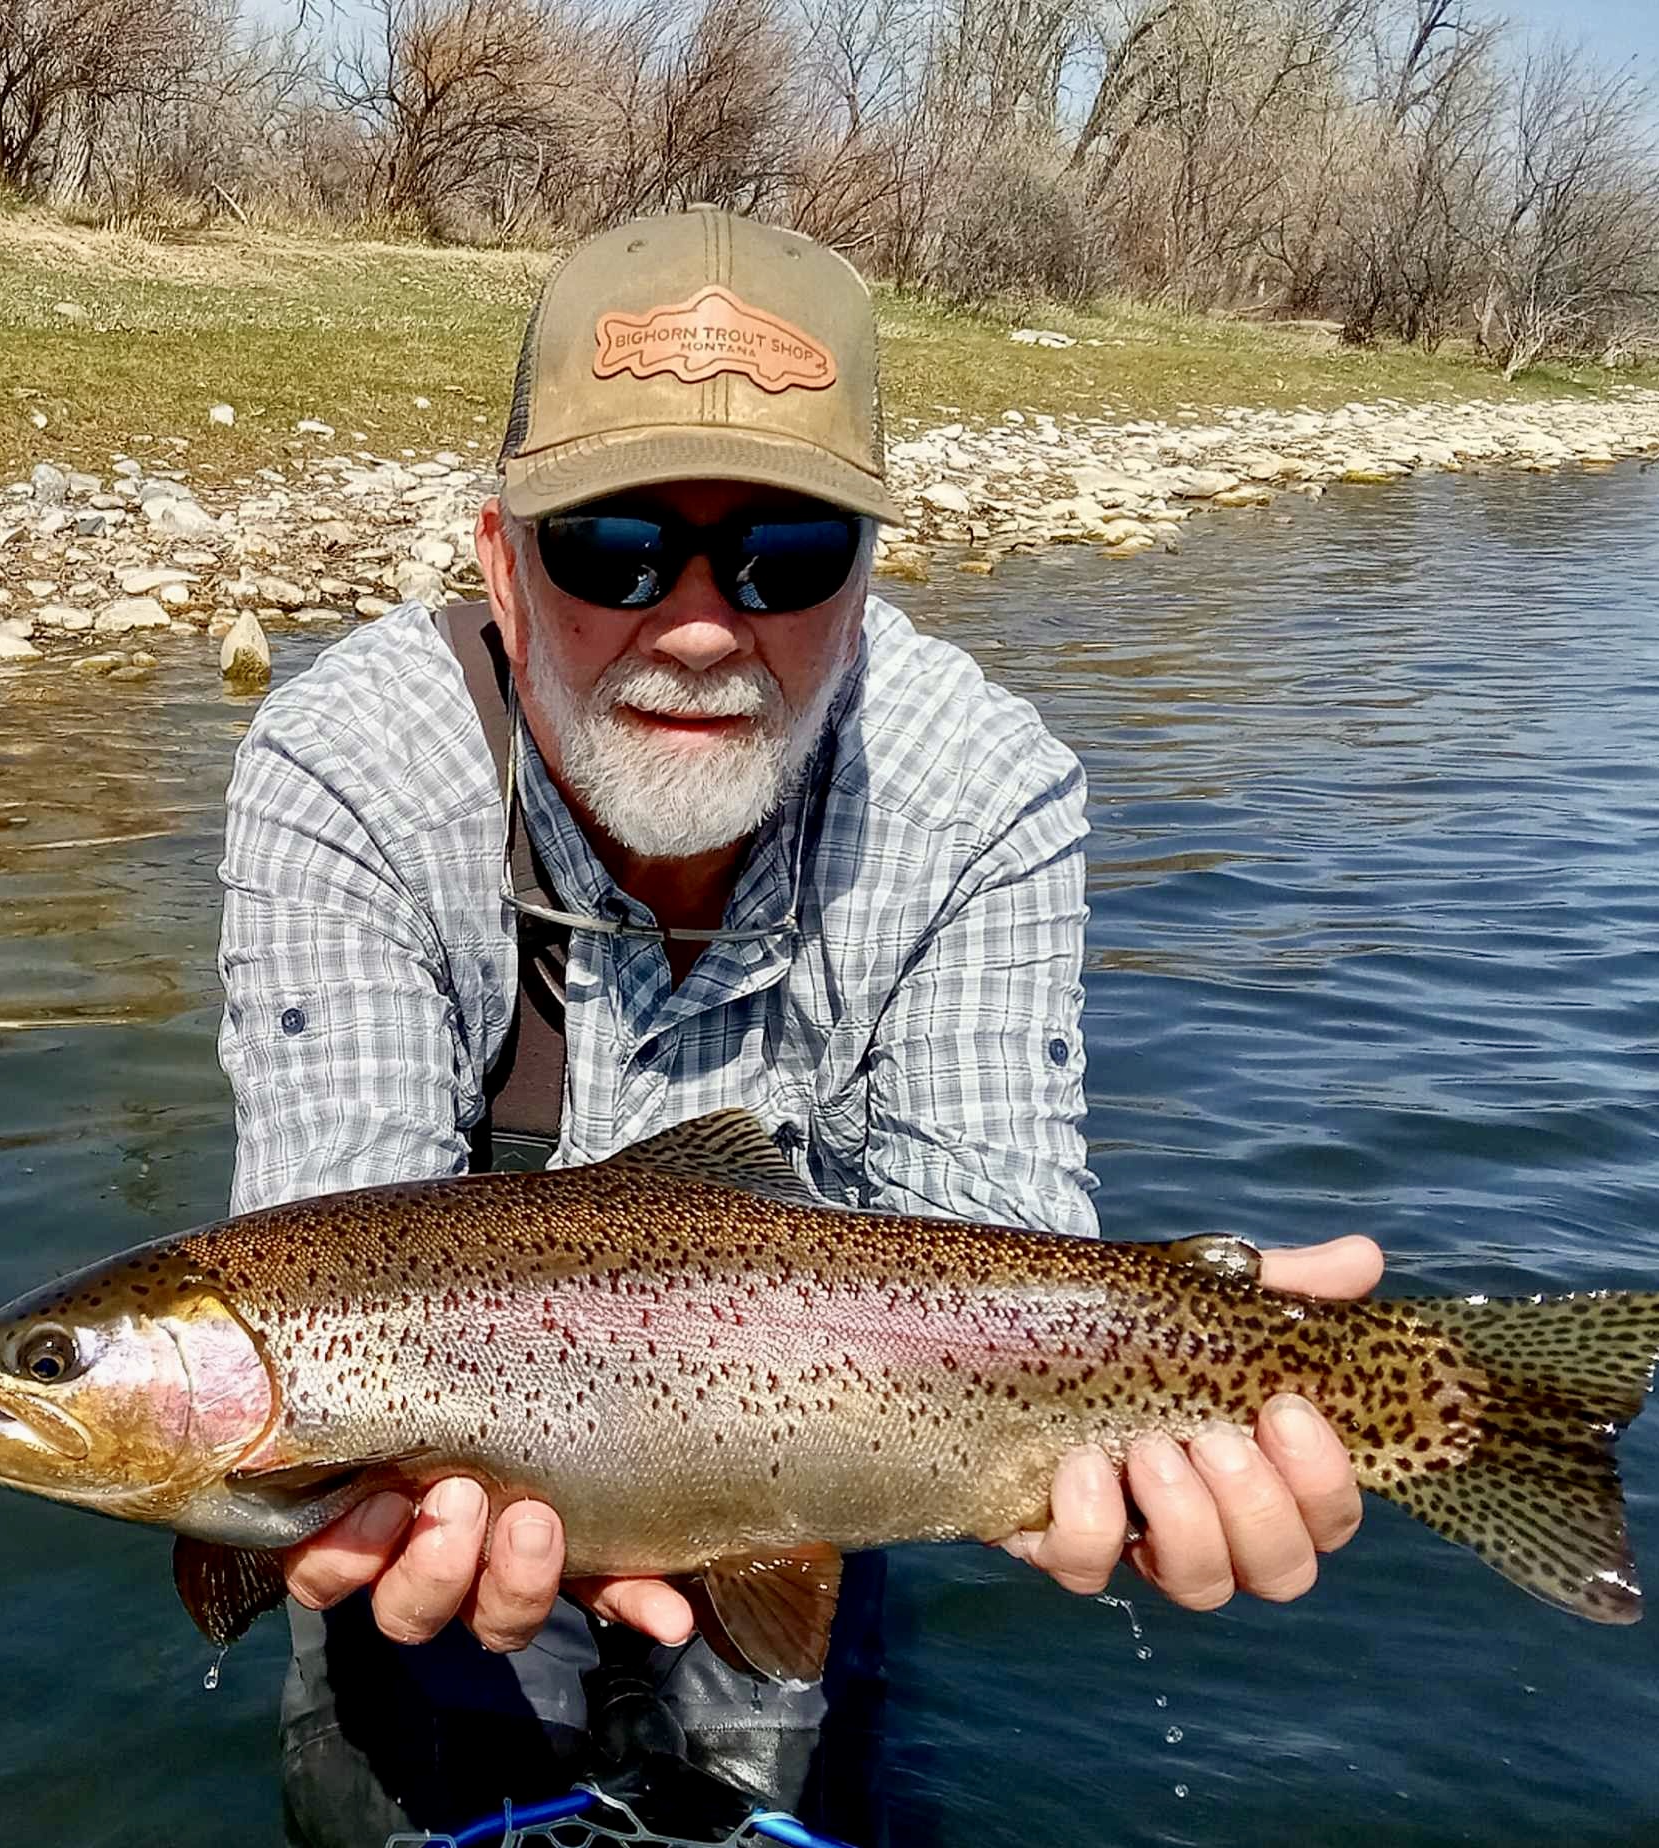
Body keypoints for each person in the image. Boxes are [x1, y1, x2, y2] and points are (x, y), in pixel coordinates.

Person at [214, 206, 1382, 1846]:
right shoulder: (350, 768)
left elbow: (996, 1241)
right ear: (496, 557)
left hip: (815, 1454)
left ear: (865, 575)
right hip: (461, 1503)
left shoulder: (983, 788)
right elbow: (319, 1257)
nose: (698, 625)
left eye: (788, 555)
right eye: (612, 546)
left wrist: (1132, 1429)